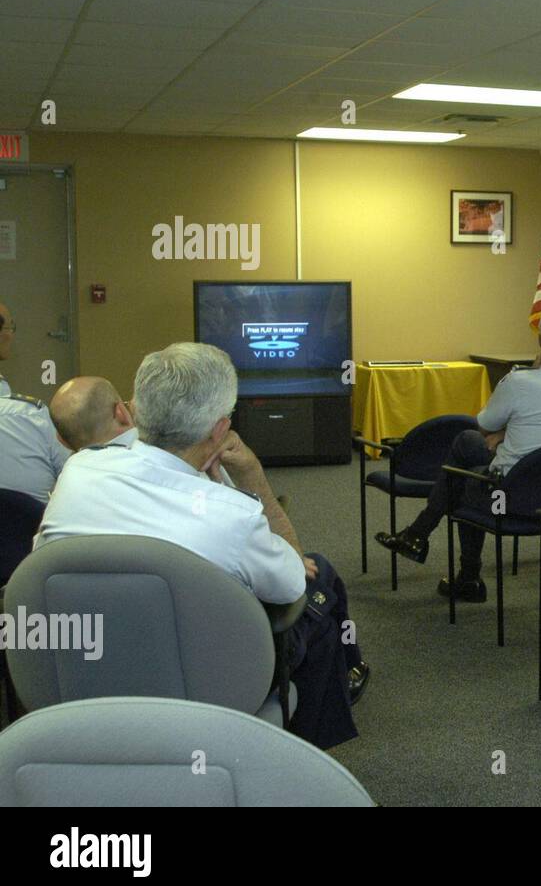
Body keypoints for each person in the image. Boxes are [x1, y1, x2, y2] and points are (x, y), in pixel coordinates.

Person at [34, 342, 368, 749]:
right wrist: (252, 475)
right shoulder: (231, 516)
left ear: (135, 410)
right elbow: (292, 582)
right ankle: (306, 762)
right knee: (320, 587)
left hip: (81, 674)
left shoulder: (78, 471)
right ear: (220, 428)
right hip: (206, 687)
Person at [376, 302, 541, 601]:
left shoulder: (519, 383)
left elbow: (483, 426)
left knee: (461, 475)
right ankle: (419, 536)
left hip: (516, 498)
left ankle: (462, 571)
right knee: (467, 444)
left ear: (540, 341)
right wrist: (508, 434)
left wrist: (504, 430)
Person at [0, 299, 71, 501]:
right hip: (29, 530)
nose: (11, 334)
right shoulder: (31, 417)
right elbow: (71, 476)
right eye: (9, 327)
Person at [49, 376, 136, 450]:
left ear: (62, 441)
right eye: (126, 405)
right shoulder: (147, 457)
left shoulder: (71, 468)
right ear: (120, 413)